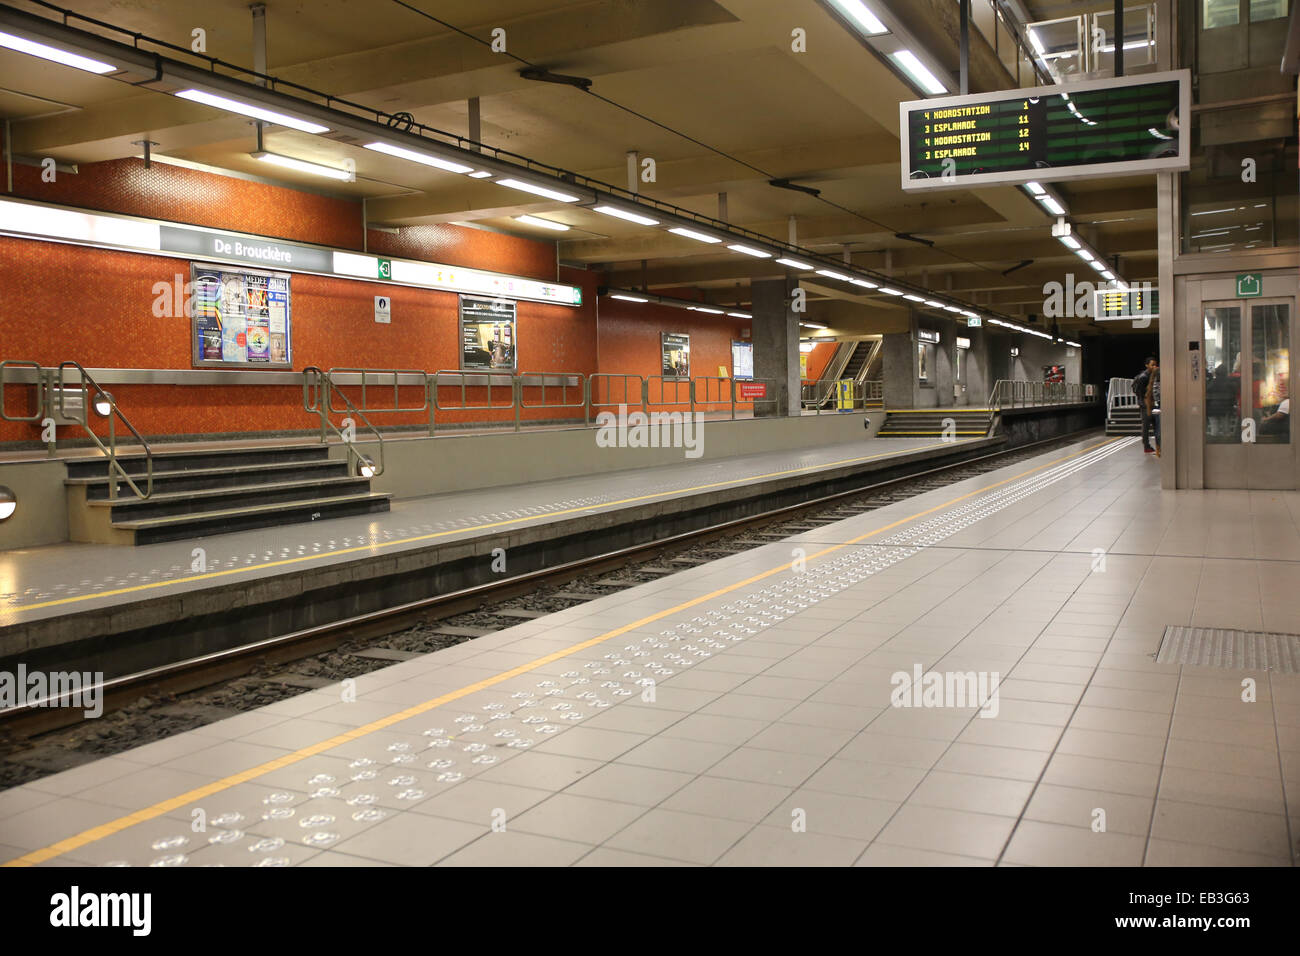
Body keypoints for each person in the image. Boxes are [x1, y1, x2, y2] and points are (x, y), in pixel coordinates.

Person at [1133, 357, 1156, 453]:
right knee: (1146, 426)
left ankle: (1156, 446)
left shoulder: (1152, 375)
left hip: (1150, 404)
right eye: (1152, 365)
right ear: (1147, 365)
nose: (1154, 366)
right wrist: (1145, 403)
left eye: (1155, 364)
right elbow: (1141, 393)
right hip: (1145, 405)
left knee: (1155, 425)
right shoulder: (1144, 377)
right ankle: (1146, 446)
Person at [1146, 363, 1162, 457]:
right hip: (1159, 409)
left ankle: (1158, 450)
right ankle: (1160, 450)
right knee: (1159, 431)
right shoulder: (1158, 384)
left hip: (1153, 409)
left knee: (1157, 431)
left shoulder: (1152, 382)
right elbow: (1159, 397)